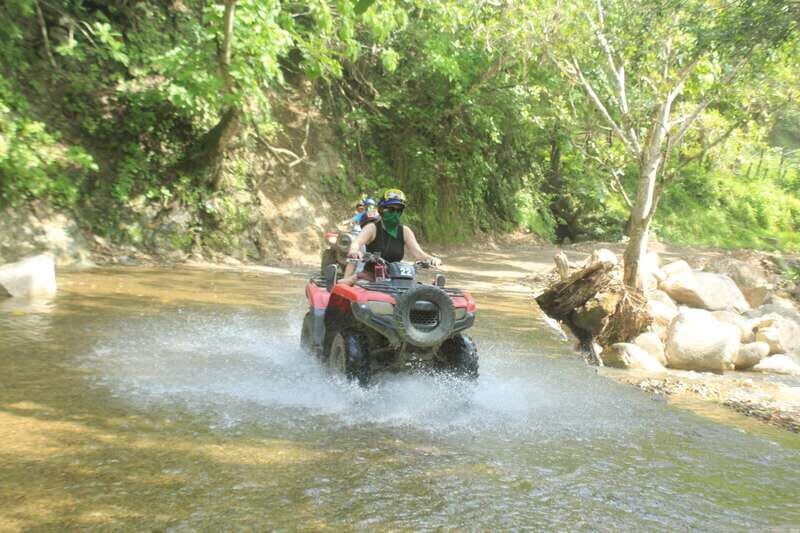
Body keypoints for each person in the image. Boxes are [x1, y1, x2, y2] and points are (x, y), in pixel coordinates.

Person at [339, 188, 441, 285]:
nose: (395, 213)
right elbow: (357, 242)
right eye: (391, 209)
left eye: (399, 210)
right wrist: (354, 251)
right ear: (381, 210)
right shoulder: (372, 228)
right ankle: (337, 286)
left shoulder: (405, 231)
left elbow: (418, 253)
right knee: (352, 284)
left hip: (397, 278)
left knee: (419, 289)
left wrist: (431, 259)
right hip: (370, 278)